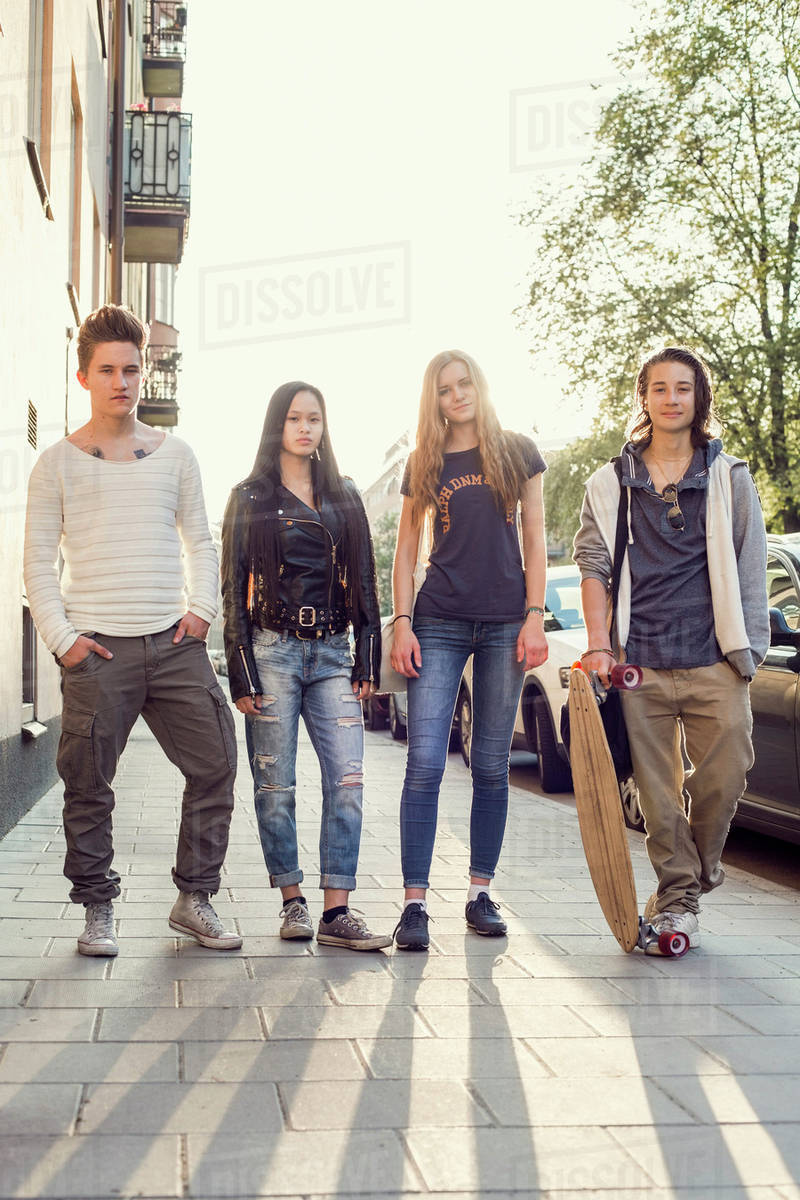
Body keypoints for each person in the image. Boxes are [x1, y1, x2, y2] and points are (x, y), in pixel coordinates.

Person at [23, 305, 241, 957]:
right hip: (98, 652)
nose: (122, 380)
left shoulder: (177, 456)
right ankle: (97, 909)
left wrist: (200, 611)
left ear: (143, 373)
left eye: (132, 368)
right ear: (86, 376)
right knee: (89, 783)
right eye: (108, 370)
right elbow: (36, 561)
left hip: (173, 646)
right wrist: (63, 640)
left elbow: (201, 542)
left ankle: (194, 897)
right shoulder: (56, 464)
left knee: (217, 763)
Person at [573, 346, 769, 953]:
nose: (672, 398)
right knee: (658, 799)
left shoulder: (729, 477)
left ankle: (694, 878)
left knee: (727, 773)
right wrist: (600, 647)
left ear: (698, 397)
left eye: (683, 388)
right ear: (645, 398)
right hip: (643, 666)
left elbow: (751, 564)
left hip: (716, 659)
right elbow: (593, 564)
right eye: (659, 388)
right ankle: (680, 901)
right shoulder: (610, 483)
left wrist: (750, 651)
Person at [221, 382, 390, 950]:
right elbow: (232, 592)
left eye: (314, 418)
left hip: (332, 652)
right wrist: (240, 670)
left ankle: (336, 911)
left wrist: (368, 653)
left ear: (324, 426)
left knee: (347, 780)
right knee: (276, 784)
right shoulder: (248, 498)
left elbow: (365, 580)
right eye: (294, 418)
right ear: (277, 426)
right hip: (271, 651)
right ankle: (292, 902)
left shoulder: (344, 494)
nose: (304, 428)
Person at [390, 350, 548, 950]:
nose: (457, 395)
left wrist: (534, 616)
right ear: (433, 400)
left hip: (507, 621)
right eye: (444, 389)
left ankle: (480, 893)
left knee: (490, 764)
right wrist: (402, 623)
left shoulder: (517, 451)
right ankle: (414, 905)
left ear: (479, 386)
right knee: (425, 763)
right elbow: (406, 553)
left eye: (464, 384)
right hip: (440, 619)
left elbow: (534, 536)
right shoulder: (424, 462)